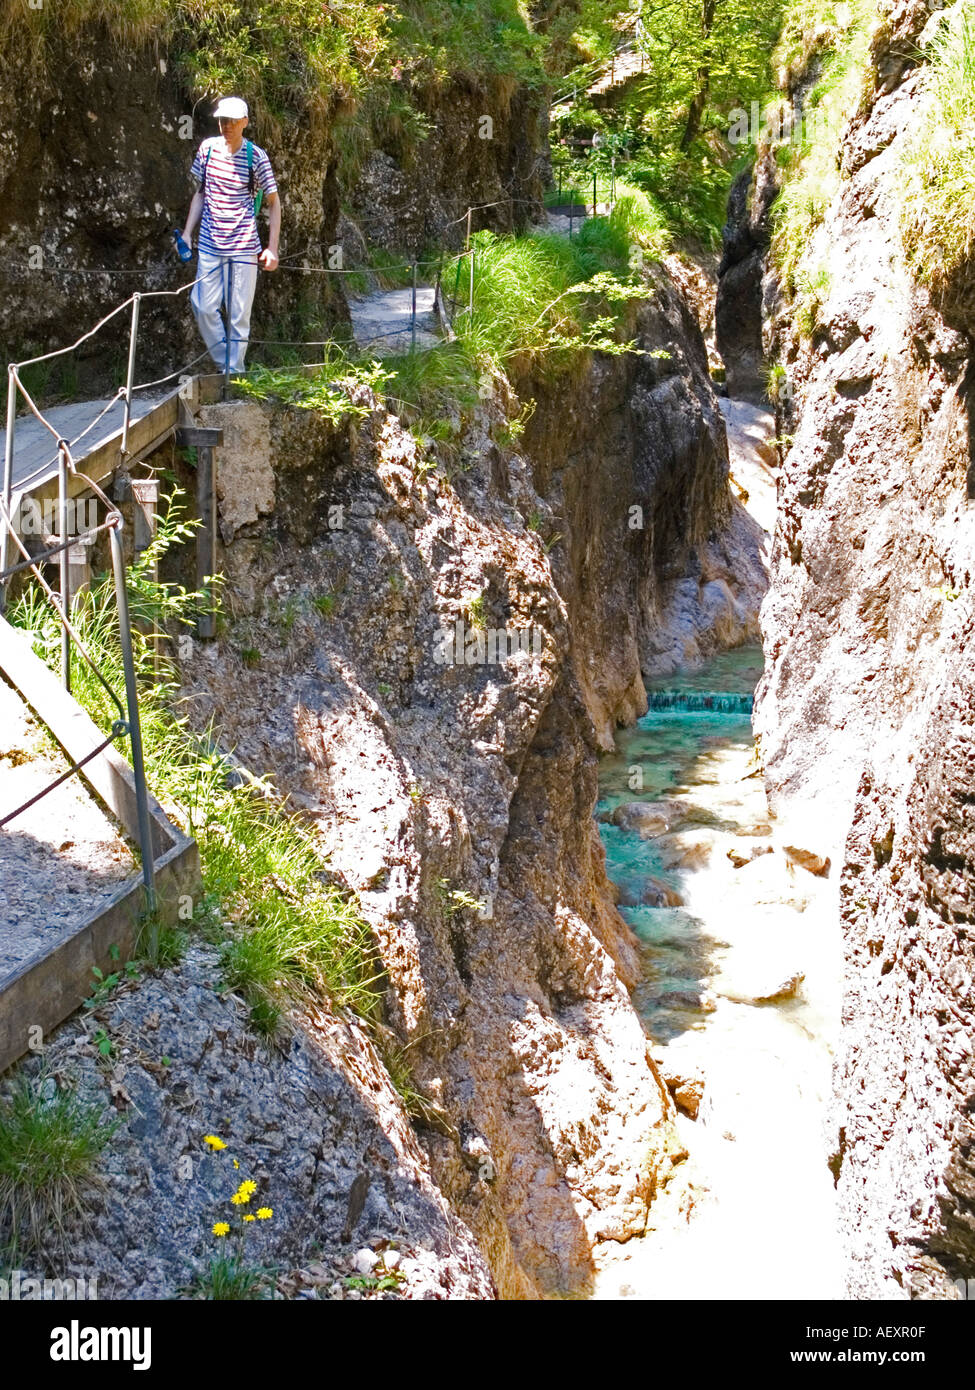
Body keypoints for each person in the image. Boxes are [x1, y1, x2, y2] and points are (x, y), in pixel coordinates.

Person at [179, 96, 281, 373]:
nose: (227, 125)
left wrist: (272, 248)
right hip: (211, 243)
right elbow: (201, 194)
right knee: (202, 306)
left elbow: (274, 202)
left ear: (245, 122)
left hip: (244, 245)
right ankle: (230, 366)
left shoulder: (256, 157)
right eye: (223, 120)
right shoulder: (207, 150)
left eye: (233, 121)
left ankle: (233, 377)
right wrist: (188, 233)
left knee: (238, 315)